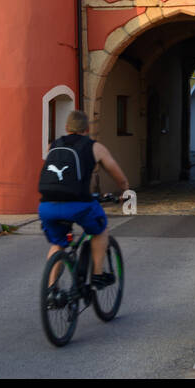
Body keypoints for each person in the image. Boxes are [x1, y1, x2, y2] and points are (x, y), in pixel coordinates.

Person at [39, 110, 130, 289]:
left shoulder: (52, 146)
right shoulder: (95, 147)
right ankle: (97, 275)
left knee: (58, 243)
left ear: (67, 127)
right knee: (100, 230)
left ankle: (50, 291)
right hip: (78, 204)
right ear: (87, 129)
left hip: (47, 205)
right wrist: (125, 190)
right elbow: (118, 176)